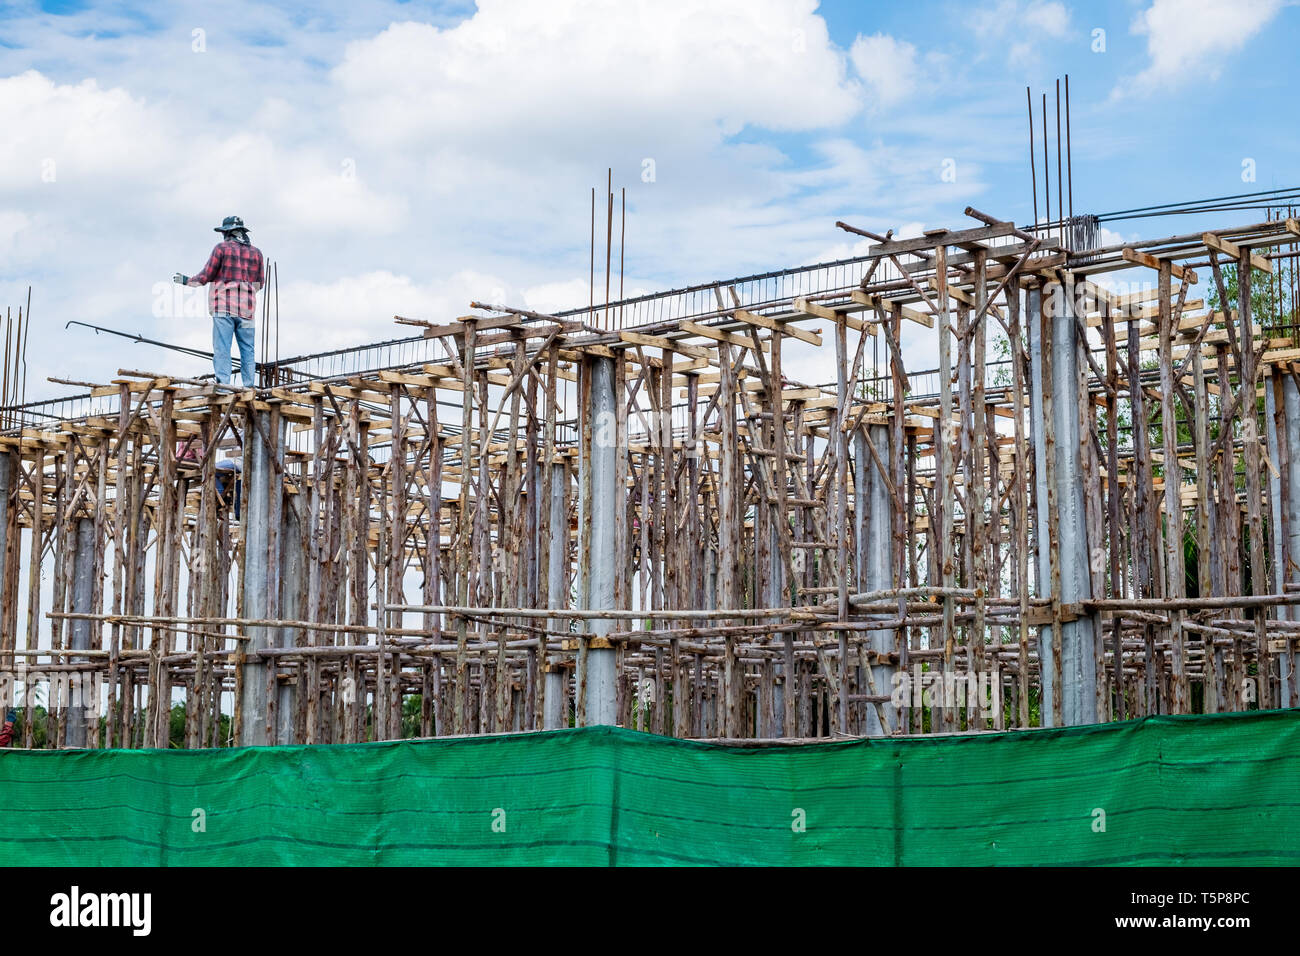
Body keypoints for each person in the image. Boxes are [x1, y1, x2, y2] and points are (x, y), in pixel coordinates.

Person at [173, 215, 265, 388]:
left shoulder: (221, 249)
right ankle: (249, 386)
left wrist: (186, 280)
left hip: (223, 308)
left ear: (227, 233)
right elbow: (260, 283)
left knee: (223, 348)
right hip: (247, 311)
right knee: (248, 350)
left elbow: (205, 276)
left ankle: (223, 385)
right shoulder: (256, 253)